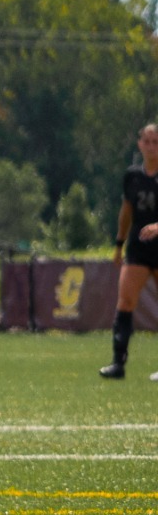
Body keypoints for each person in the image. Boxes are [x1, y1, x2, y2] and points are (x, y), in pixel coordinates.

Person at [101, 122, 158, 379]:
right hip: (138, 247)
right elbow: (126, 212)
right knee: (125, 301)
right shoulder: (132, 176)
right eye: (147, 141)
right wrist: (118, 244)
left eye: (155, 142)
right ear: (139, 144)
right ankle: (118, 363)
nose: (151, 146)